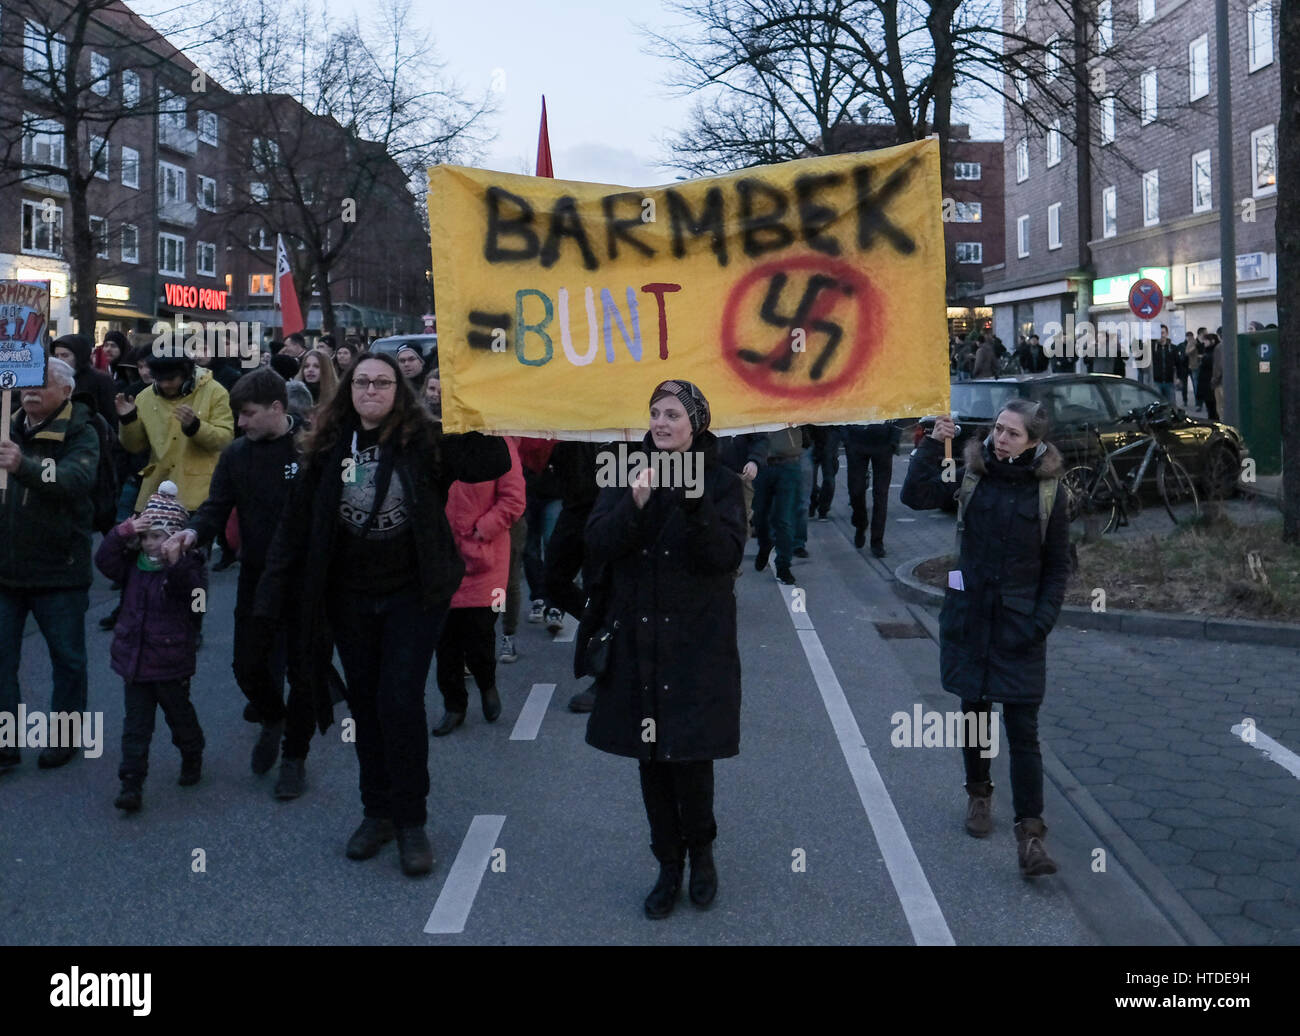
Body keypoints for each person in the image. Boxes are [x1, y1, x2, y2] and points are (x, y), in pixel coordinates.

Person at [252, 352, 510, 876]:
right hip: (349, 598)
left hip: (412, 597)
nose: (371, 391)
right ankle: (378, 814)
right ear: (349, 389)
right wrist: (268, 599)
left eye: (383, 383)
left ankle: (412, 822)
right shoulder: (327, 447)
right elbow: (295, 526)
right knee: (366, 706)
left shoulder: (425, 441)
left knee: (399, 700)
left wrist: (468, 405)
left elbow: (492, 463)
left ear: (401, 390)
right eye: (362, 382)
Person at [583, 380, 745, 918]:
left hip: (697, 646)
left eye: (672, 413)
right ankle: (667, 863)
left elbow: (723, 557)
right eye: (654, 413)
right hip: (640, 641)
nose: (660, 422)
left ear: (696, 422)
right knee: (650, 759)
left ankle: (701, 854)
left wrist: (696, 505)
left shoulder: (721, 483)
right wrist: (634, 501)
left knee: (692, 759)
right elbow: (599, 542)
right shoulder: (626, 471)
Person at [900, 399, 1070, 877]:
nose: (1001, 439)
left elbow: (1058, 567)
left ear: (1034, 442)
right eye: (998, 429)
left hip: (1020, 626)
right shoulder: (971, 472)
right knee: (974, 717)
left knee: (1023, 733)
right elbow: (915, 496)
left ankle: (1031, 835)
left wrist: (1040, 622)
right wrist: (933, 444)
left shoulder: (1050, 491)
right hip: (970, 615)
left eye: (1013, 434)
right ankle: (979, 795)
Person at [163, 368, 315, 799]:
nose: (241, 424)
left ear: (277, 409)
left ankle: (294, 758)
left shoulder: (311, 447)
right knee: (247, 665)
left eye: (247, 414)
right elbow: (216, 506)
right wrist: (192, 534)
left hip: (306, 580)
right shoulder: (236, 455)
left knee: (304, 674)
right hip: (258, 575)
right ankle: (273, 715)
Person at [0, 358, 100, 772]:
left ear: (66, 392)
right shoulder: (6, 426)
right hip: (5, 568)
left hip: (60, 567)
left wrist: (22, 465)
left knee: (68, 659)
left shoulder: (83, 432)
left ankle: (65, 736)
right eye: (26, 384)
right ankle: (6, 744)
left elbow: (73, 481)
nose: (31, 391)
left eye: (42, 384)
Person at [94, 483, 206, 811]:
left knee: (179, 716)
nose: (150, 544)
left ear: (173, 536)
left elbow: (197, 601)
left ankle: (192, 752)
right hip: (135, 662)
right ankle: (131, 783)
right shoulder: (132, 566)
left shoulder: (189, 566)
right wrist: (120, 533)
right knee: (136, 727)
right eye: (146, 537)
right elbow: (104, 562)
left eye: (158, 536)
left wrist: (177, 564)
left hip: (171, 663)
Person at [431, 436, 525, 735]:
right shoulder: (434, 441)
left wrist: (480, 530)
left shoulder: (498, 443)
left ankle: (487, 685)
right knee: (445, 643)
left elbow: (513, 499)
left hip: (485, 560)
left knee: (479, 636)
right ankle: (454, 705)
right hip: (442, 559)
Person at [115, 353, 234, 512]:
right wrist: (128, 421)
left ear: (187, 374)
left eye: (171, 379)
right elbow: (135, 446)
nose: (165, 385)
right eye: (159, 379)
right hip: (156, 494)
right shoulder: (145, 397)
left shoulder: (214, 392)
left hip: (198, 497)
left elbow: (224, 439)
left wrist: (195, 427)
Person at [752, 426, 805, 584]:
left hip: (788, 463)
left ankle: (783, 565)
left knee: (784, 519)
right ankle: (765, 544)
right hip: (762, 463)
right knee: (759, 514)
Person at [844, 422, 900, 556]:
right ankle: (860, 522)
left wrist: (893, 440)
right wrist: (846, 438)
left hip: (883, 444)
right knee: (856, 490)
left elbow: (898, 414)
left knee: (881, 495)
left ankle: (877, 541)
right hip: (856, 442)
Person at [51, 333, 118, 431]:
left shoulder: (101, 380)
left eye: (65, 355)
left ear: (78, 356)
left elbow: (110, 417)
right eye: (56, 356)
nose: (59, 361)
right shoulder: (53, 380)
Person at [807, 425, 841, 520]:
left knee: (828, 479)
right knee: (809, 478)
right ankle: (814, 502)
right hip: (811, 433)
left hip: (830, 434)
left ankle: (823, 508)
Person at [1151, 325, 1178, 405]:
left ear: (1167, 334)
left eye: (1163, 333)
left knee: (1171, 405)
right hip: (1156, 382)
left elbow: (1178, 363)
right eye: (1159, 333)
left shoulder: (1173, 348)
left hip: (1169, 381)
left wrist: (1179, 378)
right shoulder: (1152, 348)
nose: (1161, 335)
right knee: (1158, 405)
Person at [1197, 334, 1219, 420]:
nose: (1204, 342)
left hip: (1210, 384)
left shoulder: (1214, 352)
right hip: (1206, 384)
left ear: (1212, 341)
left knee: (1213, 409)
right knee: (1210, 409)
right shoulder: (1206, 351)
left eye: (1206, 340)